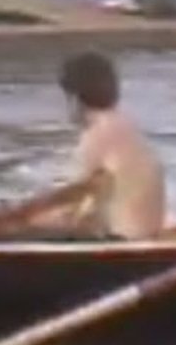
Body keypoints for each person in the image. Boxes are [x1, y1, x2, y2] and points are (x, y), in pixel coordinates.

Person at [35, 52, 167, 241]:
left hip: (121, 243)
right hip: (146, 238)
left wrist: (21, 221)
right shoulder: (130, 130)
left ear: (75, 98)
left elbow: (68, 207)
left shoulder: (97, 135)